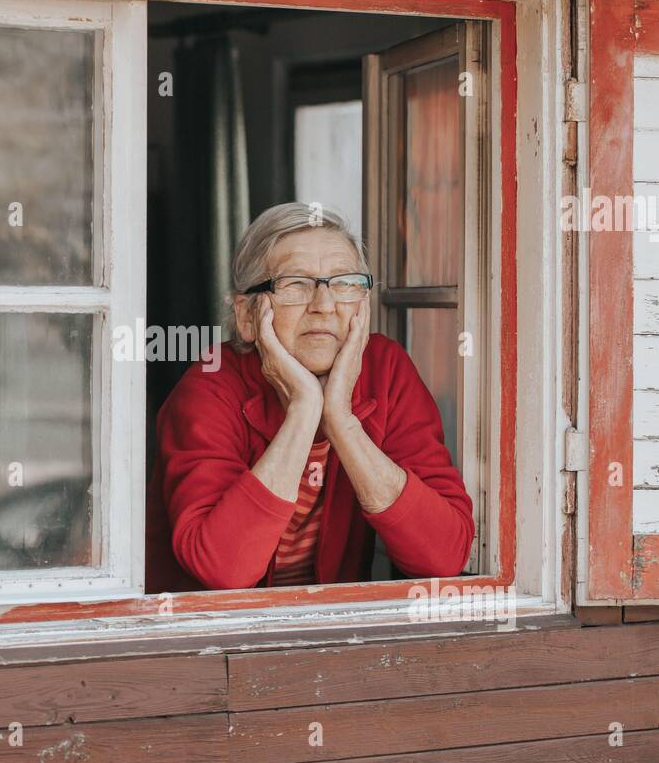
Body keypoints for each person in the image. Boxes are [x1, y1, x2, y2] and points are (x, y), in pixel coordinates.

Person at [145, 202, 475, 592]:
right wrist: (304, 410)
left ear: (362, 305)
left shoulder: (385, 370)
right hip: (205, 639)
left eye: (344, 283)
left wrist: (342, 423)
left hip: (327, 636)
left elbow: (444, 554)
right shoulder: (209, 386)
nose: (324, 306)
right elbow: (223, 570)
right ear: (248, 316)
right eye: (295, 285)